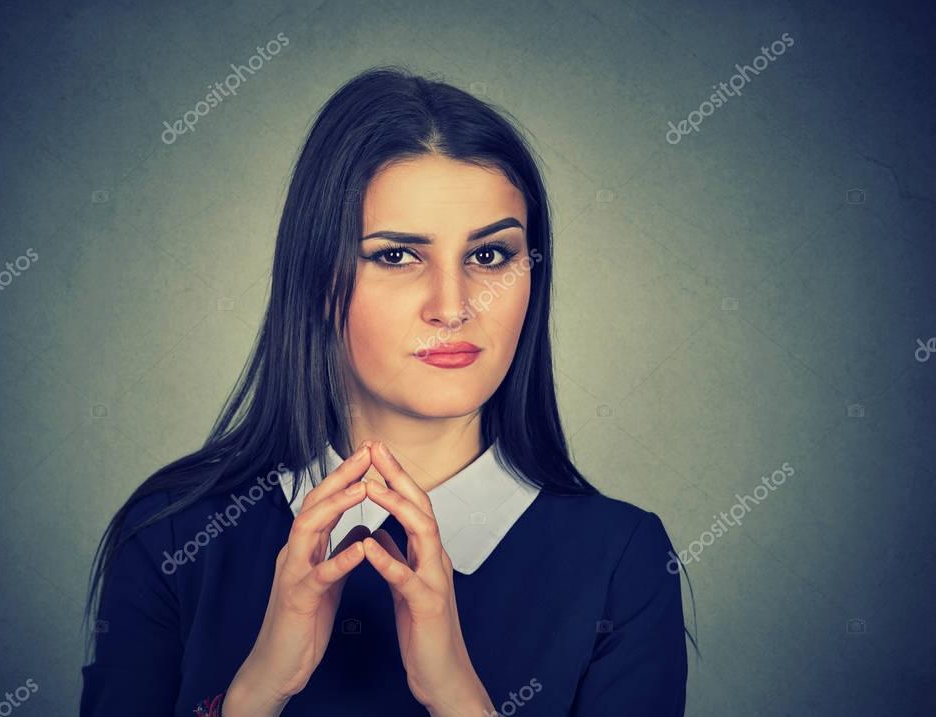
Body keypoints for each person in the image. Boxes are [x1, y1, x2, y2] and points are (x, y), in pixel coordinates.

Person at [80, 65, 690, 717]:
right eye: (397, 255)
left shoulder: (621, 560)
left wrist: (457, 695)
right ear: (317, 279)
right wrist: (252, 694)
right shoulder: (173, 533)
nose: (453, 306)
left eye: (489, 256)